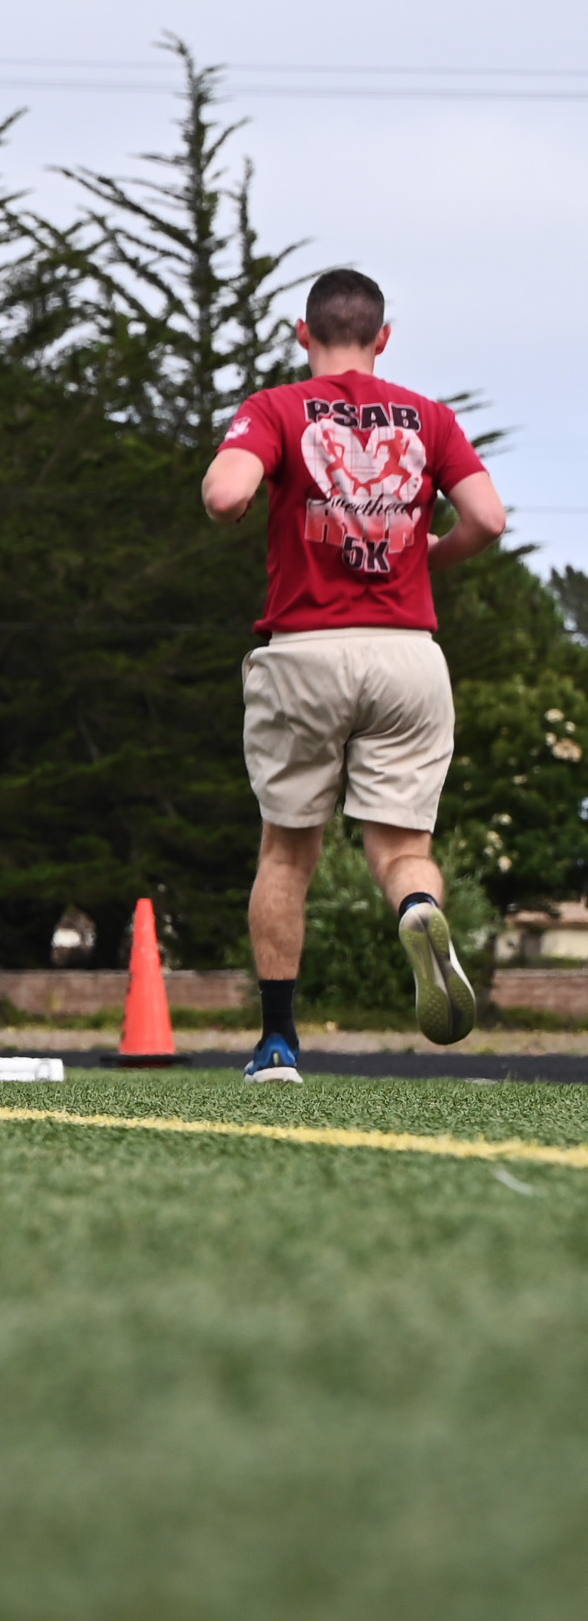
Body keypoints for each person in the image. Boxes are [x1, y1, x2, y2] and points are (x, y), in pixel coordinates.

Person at [202, 267, 506, 1072]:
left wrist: (238, 496)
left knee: (286, 852)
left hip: (303, 654)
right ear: (382, 336)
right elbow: (488, 518)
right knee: (401, 844)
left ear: (303, 334)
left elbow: (225, 493)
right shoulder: (428, 417)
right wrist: (435, 551)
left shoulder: (275, 408)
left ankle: (276, 1043)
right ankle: (415, 906)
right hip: (408, 654)